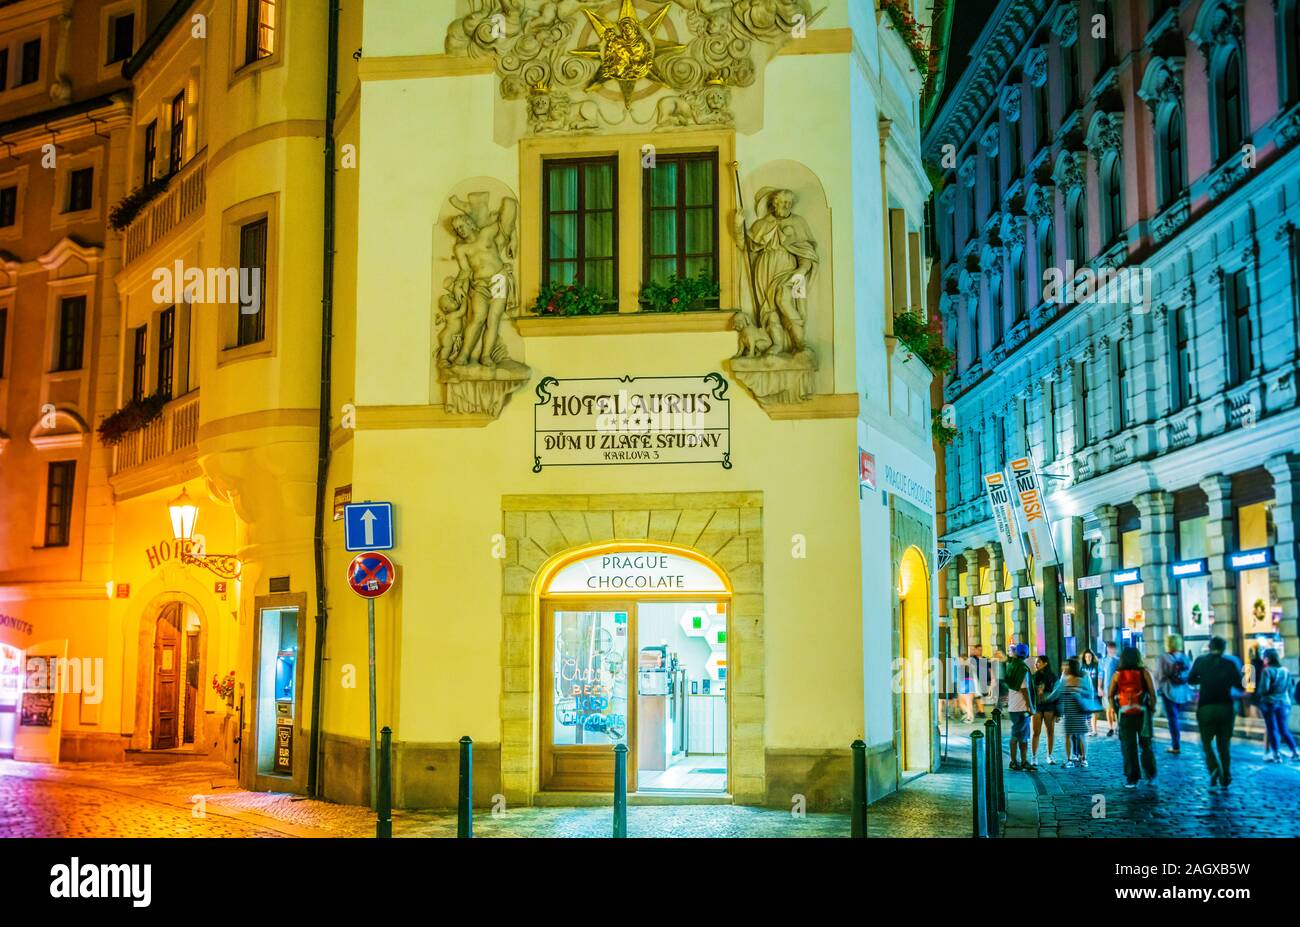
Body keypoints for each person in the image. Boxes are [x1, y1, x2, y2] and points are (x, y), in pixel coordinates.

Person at [1187, 636, 1244, 788]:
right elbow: (1240, 685)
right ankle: (1226, 776)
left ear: (1210, 647)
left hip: (1206, 707)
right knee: (1224, 744)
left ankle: (1214, 767)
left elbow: (1191, 679)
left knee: (1206, 742)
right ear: (1224, 648)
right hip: (1226, 706)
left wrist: (1204, 679)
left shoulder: (1200, 661)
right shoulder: (1230, 663)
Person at [1108, 646, 1158, 788]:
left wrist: (1116, 709)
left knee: (1128, 747)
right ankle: (1150, 774)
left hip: (1125, 715)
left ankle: (1132, 778)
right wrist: (1152, 708)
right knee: (1146, 745)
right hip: (1143, 714)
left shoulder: (1117, 674)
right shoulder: (1144, 673)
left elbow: (1110, 695)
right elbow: (1153, 694)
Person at [1047, 658, 1100, 767]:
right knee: (1069, 736)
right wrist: (1046, 699)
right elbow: (1056, 693)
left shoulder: (1082, 678)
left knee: (1081, 736)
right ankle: (1070, 759)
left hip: (1079, 712)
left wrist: (1078, 692)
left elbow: (1089, 692)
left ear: (1072, 667)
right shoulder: (1065, 679)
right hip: (1068, 712)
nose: (1064, 668)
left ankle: (1083, 758)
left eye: (1067, 666)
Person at [1256, 649, 1300, 762]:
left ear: (1268, 658)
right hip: (1284, 703)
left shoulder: (1267, 671)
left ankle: (1276, 754)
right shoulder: (1285, 670)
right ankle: (1295, 752)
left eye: (1265, 657)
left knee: (1273, 729)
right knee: (1284, 729)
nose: (1263, 659)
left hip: (1270, 703)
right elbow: (1290, 688)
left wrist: (1259, 694)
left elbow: (1264, 689)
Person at [1155, 634, 1194, 754]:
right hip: (1182, 692)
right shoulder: (1184, 657)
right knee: (1177, 717)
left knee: (1173, 719)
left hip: (1169, 691)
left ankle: (1175, 745)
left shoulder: (1164, 658)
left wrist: (1157, 689)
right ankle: (1178, 741)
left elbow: (1159, 675)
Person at [1004, 644, 1036, 771]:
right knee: (1018, 735)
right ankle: (1014, 761)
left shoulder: (1012, 665)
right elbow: (1024, 689)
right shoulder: (1022, 668)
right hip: (1021, 707)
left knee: (1023, 735)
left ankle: (1023, 761)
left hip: (1014, 706)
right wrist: (1031, 706)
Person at [1030, 655, 1059, 767]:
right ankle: (1034, 757)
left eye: (1039, 662)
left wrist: (1058, 712)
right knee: (1035, 732)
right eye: (1036, 662)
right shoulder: (1034, 676)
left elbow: (1057, 694)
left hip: (1049, 706)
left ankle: (1050, 755)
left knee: (1050, 732)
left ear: (1045, 663)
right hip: (1037, 706)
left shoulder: (1053, 677)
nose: (1036, 664)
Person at [1099, 641, 1120, 736]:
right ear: (1107, 649)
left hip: (1117, 688)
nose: (1111, 650)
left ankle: (1118, 727)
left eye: (1113, 648)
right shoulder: (1103, 661)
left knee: (1116, 709)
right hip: (1106, 688)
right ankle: (1110, 727)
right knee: (1108, 709)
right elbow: (1101, 675)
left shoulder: (1118, 660)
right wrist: (1099, 687)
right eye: (1109, 648)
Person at [1079, 649, 1101, 736]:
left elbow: (1099, 677)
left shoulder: (1096, 666)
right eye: (1086, 656)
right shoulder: (1082, 667)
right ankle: (1088, 729)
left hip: (1094, 691)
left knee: (1094, 711)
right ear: (1084, 658)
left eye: (1089, 656)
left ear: (1092, 657)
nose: (1088, 658)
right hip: (1085, 692)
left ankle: (1094, 730)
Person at [970, 644, 987, 718]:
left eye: (981, 650)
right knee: (978, 696)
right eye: (979, 649)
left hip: (984, 679)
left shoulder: (984, 659)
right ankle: (980, 711)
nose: (980, 651)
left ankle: (981, 711)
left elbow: (989, 669)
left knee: (981, 696)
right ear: (975, 650)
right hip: (975, 679)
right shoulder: (972, 659)